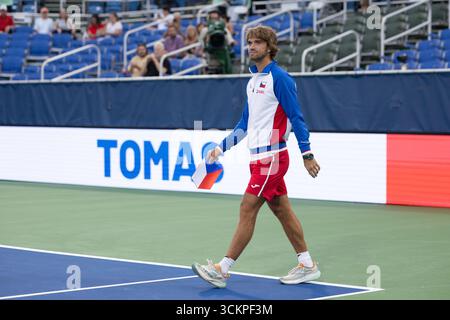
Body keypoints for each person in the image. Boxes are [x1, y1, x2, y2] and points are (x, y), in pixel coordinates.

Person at [192, 26, 321, 288]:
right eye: (249, 42)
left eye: (258, 42)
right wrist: (221, 147)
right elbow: (244, 124)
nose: (251, 46)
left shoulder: (281, 78)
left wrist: (307, 153)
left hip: (272, 158)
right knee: (282, 211)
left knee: (247, 207)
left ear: (269, 47)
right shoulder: (252, 82)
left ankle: (222, 269)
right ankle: (307, 264)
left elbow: (297, 118)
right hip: (259, 159)